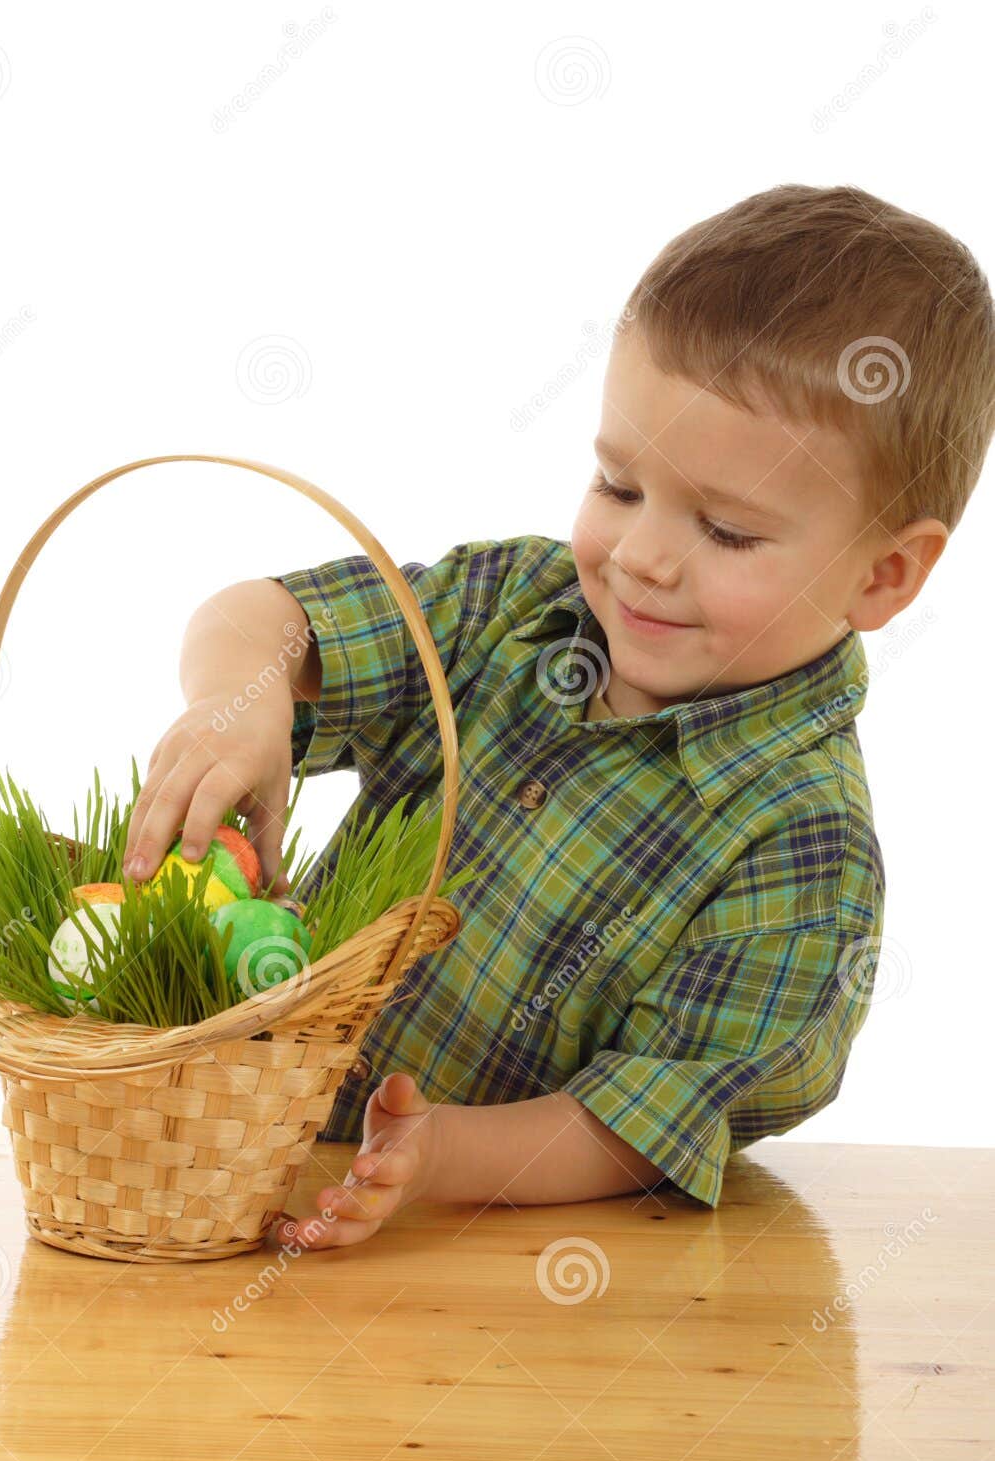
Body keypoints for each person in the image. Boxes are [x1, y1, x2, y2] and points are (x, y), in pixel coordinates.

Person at [123, 182, 995, 1251]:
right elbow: (261, 618)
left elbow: (646, 1118)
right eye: (618, 486)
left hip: (490, 1264)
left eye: (725, 532)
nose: (641, 557)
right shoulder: (510, 607)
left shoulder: (803, 853)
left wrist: (440, 1151)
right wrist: (237, 703)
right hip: (223, 1163)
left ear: (884, 575)